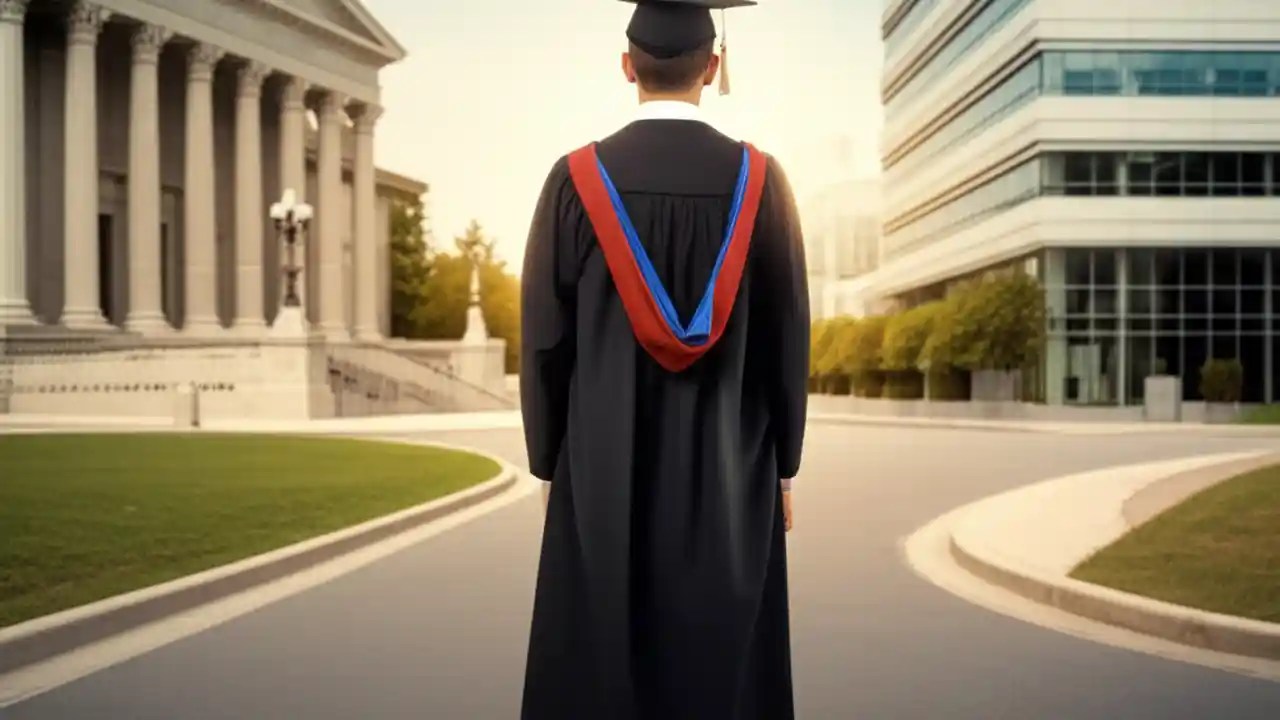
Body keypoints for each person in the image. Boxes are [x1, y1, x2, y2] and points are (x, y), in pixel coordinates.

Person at [519, 0, 809, 717]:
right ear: (713, 68)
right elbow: (787, 337)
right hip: (729, 469)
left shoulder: (574, 181)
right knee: (721, 658)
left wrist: (550, 462)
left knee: (601, 659)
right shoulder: (762, 183)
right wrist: (784, 467)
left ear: (627, 67)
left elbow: (545, 339)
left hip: (603, 470)